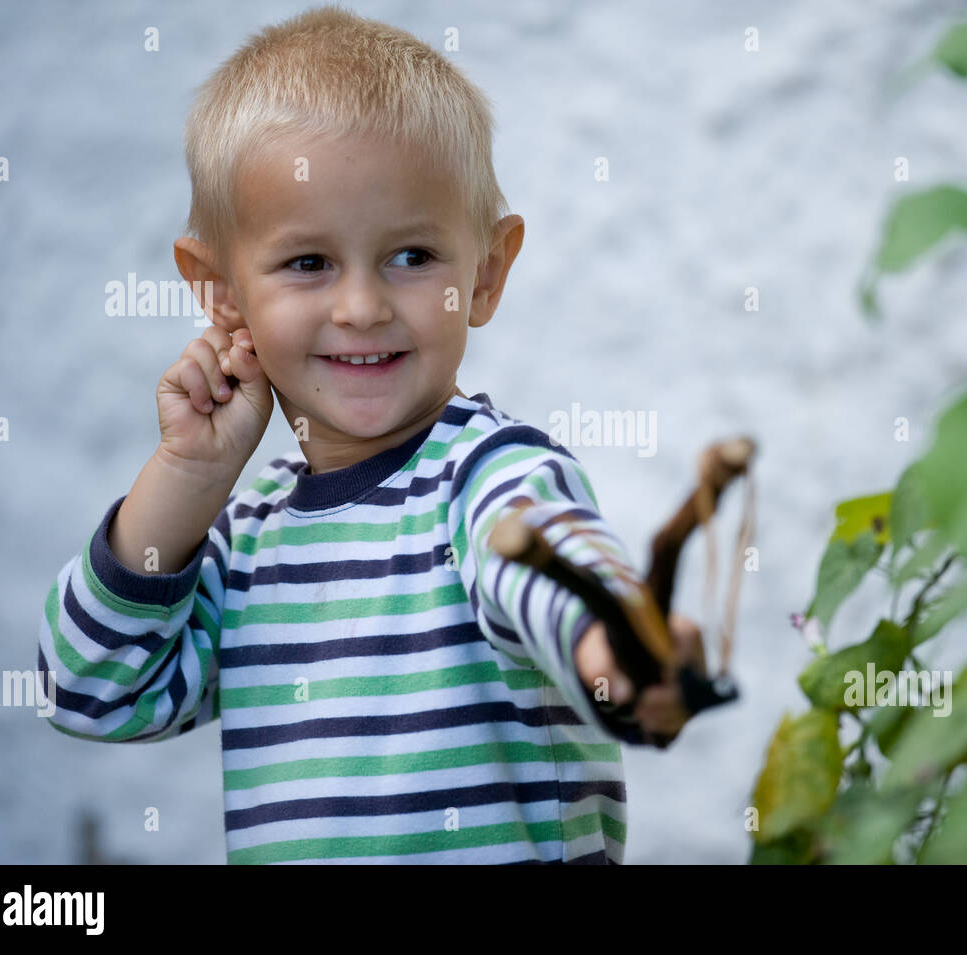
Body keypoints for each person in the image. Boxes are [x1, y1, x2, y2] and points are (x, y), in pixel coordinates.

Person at [36, 5, 703, 864]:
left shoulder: (487, 476)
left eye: (412, 257)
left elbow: (547, 559)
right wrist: (190, 475)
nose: (362, 308)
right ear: (221, 292)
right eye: (309, 262)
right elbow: (86, 689)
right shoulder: (249, 540)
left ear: (488, 272)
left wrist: (610, 643)